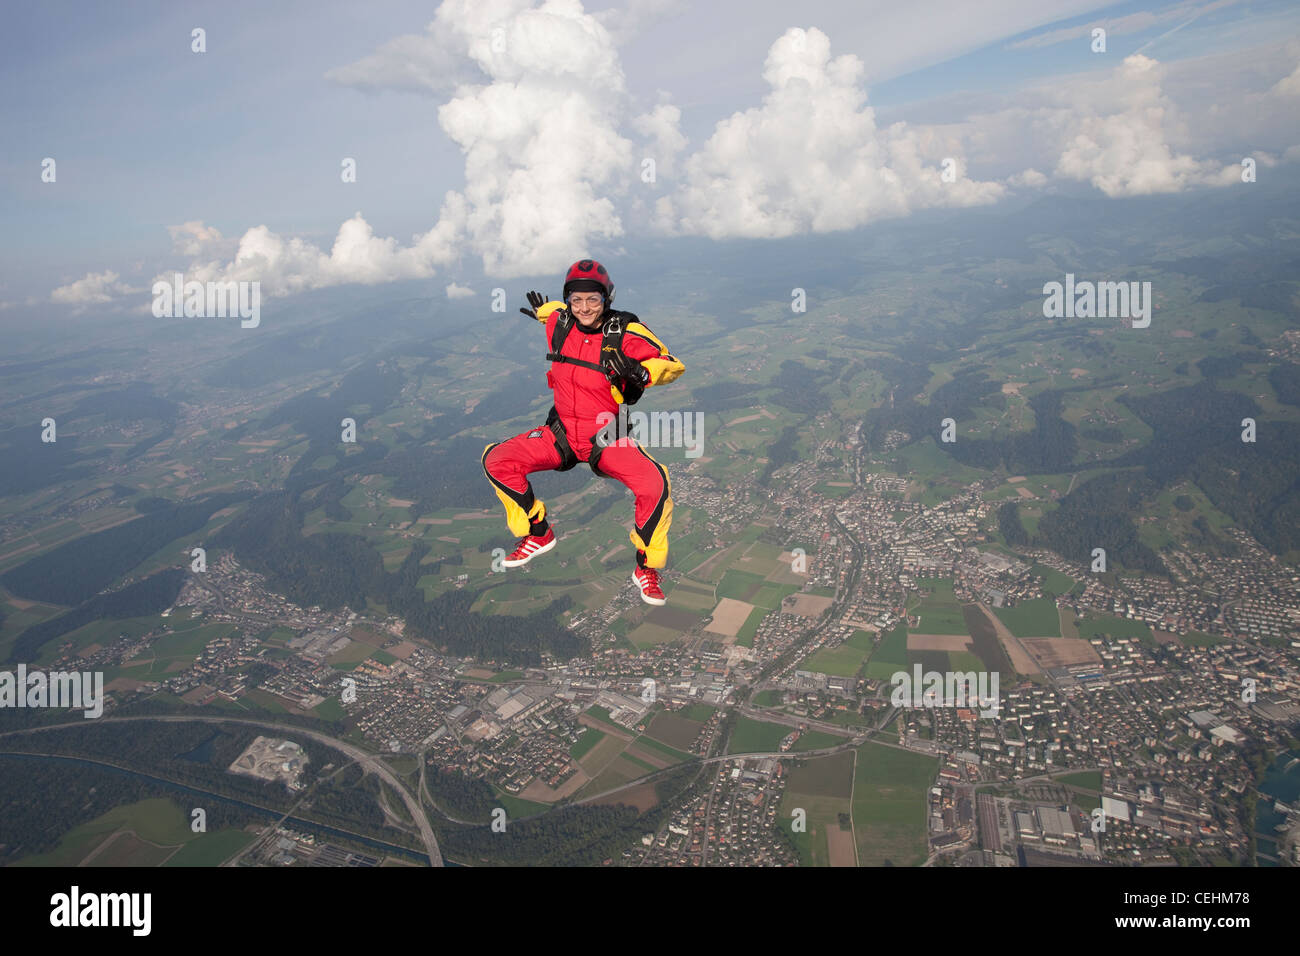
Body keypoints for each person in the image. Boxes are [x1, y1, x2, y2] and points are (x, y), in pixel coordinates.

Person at [481, 259, 685, 605]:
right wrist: (546, 310)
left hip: (606, 437)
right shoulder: (560, 322)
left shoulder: (624, 332)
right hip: (560, 432)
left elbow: (670, 363)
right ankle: (538, 532)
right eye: (577, 300)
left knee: (655, 483)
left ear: (607, 299)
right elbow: (555, 311)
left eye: (594, 299)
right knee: (496, 459)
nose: (585, 307)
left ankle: (646, 568)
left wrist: (640, 372)